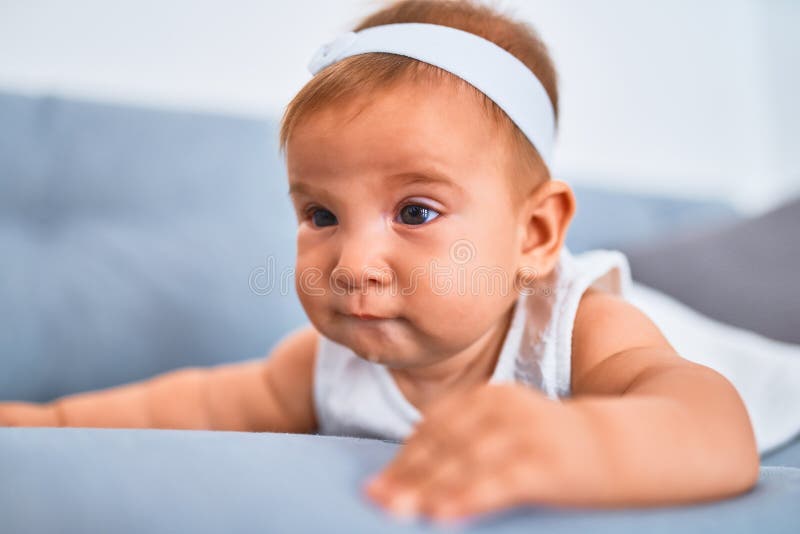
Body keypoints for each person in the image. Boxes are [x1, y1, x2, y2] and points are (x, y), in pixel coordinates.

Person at [0, 0, 763, 524]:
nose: (355, 263)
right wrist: (42, 422)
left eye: (416, 212)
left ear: (533, 234)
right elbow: (190, 407)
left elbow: (715, 426)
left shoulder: (580, 330)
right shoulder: (326, 365)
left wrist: (578, 441)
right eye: (321, 215)